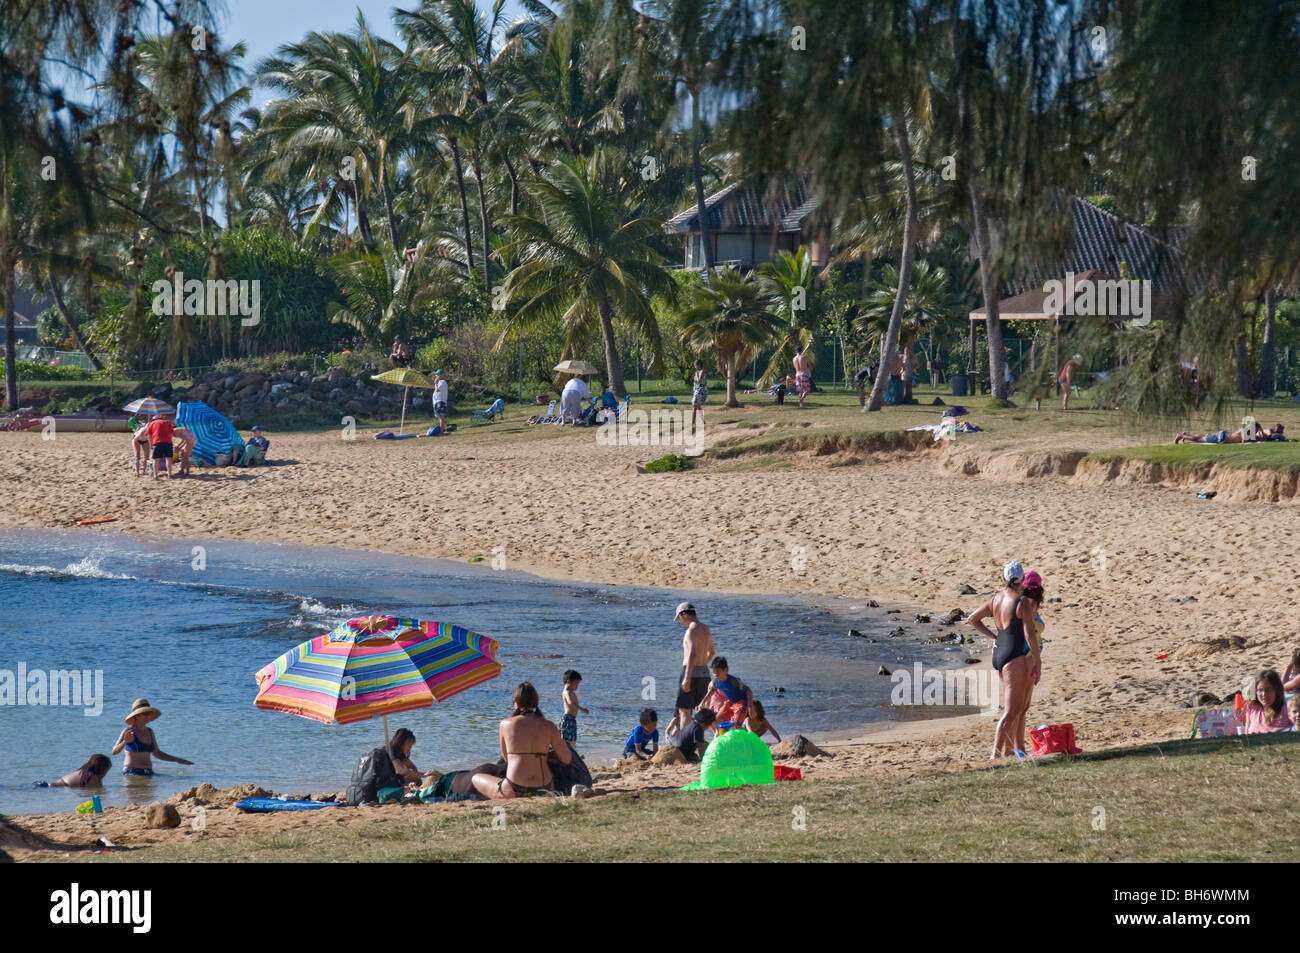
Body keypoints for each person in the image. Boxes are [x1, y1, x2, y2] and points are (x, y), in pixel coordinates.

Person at [965, 562, 1041, 759]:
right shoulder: (1021, 602)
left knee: (1016, 708)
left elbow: (973, 619)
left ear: (1003, 579)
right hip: (1015, 657)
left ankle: (1010, 750)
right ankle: (995, 755)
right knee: (1012, 710)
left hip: (1000, 656)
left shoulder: (995, 598)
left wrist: (994, 637)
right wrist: (1037, 660)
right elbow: (1029, 635)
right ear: (1022, 579)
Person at [471, 682, 572, 799]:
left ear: (516, 703)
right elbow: (566, 759)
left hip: (514, 788)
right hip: (545, 788)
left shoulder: (505, 724)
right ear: (536, 702)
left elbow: (506, 759)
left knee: (476, 777)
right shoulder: (549, 726)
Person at [111, 698, 194, 776]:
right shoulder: (128, 731)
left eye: (149, 714)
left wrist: (178, 760)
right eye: (145, 714)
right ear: (136, 716)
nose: (148, 717)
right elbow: (114, 752)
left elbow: (157, 753)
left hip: (149, 772)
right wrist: (125, 742)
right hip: (132, 773)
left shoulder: (150, 731)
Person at [674, 602, 715, 736]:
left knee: (684, 711)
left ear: (684, 614)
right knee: (704, 711)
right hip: (704, 673)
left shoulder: (691, 631)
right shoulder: (706, 629)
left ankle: (685, 744)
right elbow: (712, 652)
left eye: (679, 618)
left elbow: (692, 654)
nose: (680, 622)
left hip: (690, 673)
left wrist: (687, 678)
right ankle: (718, 738)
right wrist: (702, 663)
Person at [698, 656, 753, 727]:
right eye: (713, 673)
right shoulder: (716, 681)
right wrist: (702, 703)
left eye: (717, 672)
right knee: (715, 720)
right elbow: (711, 692)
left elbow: (749, 692)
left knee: (735, 724)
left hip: (741, 703)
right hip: (730, 702)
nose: (715, 675)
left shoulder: (734, 681)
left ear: (726, 670)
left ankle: (741, 734)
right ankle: (719, 735)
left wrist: (750, 707)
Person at [36, 754, 112, 788]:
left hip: (44, 784)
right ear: (102, 769)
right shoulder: (92, 778)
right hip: (51, 787)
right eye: (106, 770)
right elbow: (98, 790)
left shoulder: (82, 772)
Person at [559, 669, 588, 748]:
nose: (577, 686)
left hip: (572, 719)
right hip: (568, 719)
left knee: (572, 740)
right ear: (568, 682)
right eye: (576, 683)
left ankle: (571, 754)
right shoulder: (567, 692)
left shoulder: (571, 692)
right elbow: (570, 703)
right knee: (566, 740)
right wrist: (582, 709)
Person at [142, 412, 175, 479]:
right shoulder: (167, 422)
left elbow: (149, 436)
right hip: (168, 442)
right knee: (168, 458)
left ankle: (156, 475)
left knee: (156, 459)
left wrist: (151, 445)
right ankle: (169, 474)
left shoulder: (151, 424)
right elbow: (171, 434)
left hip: (157, 443)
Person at [691, 360, 707, 428]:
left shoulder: (702, 372)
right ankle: (703, 422)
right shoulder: (696, 372)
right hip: (697, 391)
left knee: (695, 406)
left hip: (701, 391)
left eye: (695, 365)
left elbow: (699, 381)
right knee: (698, 407)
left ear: (699, 365)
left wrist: (697, 375)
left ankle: (692, 423)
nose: (694, 366)